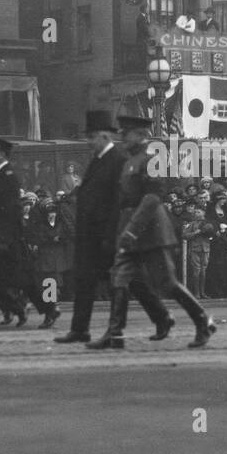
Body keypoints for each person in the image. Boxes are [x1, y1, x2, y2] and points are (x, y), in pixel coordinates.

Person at [89, 114, 216, 350]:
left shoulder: (151, 159)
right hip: (133, 229)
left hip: (152, 230)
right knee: (120, 277)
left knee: (167, 283)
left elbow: (151, 198)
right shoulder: (131, 160)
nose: (122, 138)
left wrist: (132, 229)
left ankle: (202, 321)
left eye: (126, 134)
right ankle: (114, 332)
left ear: (140, 135)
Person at [57, 111, 171, 343]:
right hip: (91, 235)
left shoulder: (117, 161)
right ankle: (81, 329)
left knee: (129, 282)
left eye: (91, 137)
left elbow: (119, 203)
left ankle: (154, 319)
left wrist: (111, 236)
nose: (88, 142)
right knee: (87, 280)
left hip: (106, 235)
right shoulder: (98, 160)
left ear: (103, 136)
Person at [0, 138, 61, 330]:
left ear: (2, 154)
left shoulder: (8, 176)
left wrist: (4, 239)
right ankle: (20, 309)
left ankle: (48, 309)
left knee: (22, 279)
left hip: (8, 240)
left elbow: (12, 211)